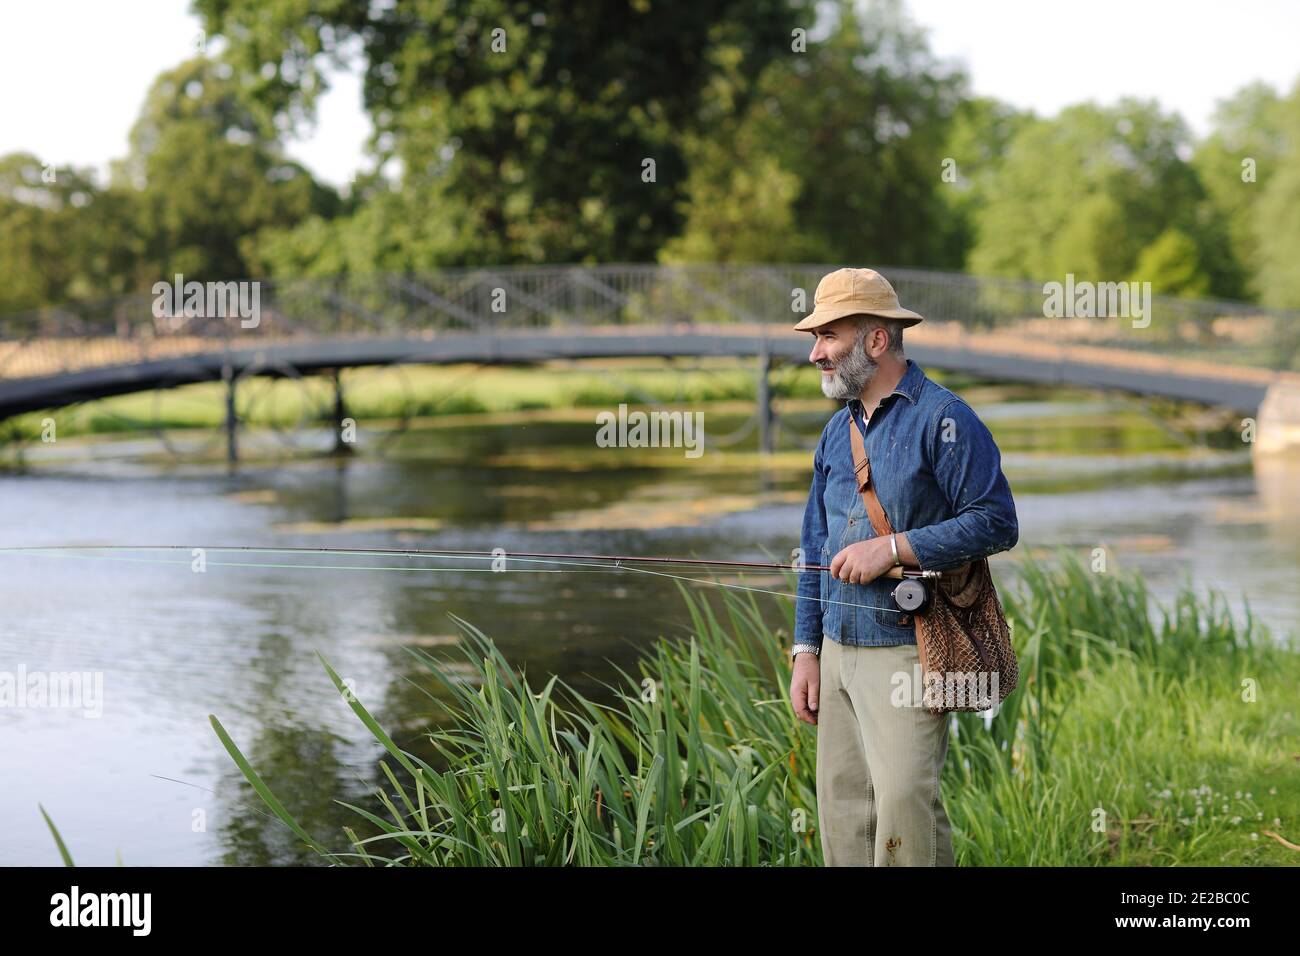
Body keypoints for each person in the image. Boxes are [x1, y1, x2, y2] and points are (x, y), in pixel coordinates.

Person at [788, 267, 1019, 866]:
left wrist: (891, 549)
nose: (816, 353)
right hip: (836, 652)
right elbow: (814, 546)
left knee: (903, 816)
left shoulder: (946, 419)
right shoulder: (835, 432)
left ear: (876, 340)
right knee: (843, 819)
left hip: (906, 649)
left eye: (828, 337)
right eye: (815, 339)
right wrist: (806, 651)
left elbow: (996, 521)